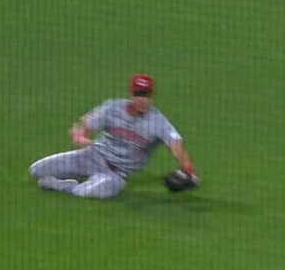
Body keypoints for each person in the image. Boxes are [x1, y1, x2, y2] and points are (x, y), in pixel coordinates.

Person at [29, 74, 198, 199]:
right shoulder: (113, 107)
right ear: (131, 94)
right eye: (139, 94)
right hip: (91, 156)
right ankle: (81, 176)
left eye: (146, 95)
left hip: (117, 174)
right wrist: (80, 136)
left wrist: (188, 169)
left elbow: (176, 145)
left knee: (91, 193)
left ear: (151, 96)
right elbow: (82, 128)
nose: (142, 99)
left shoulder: (157, 122)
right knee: (36, 170)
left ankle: (64, 186)